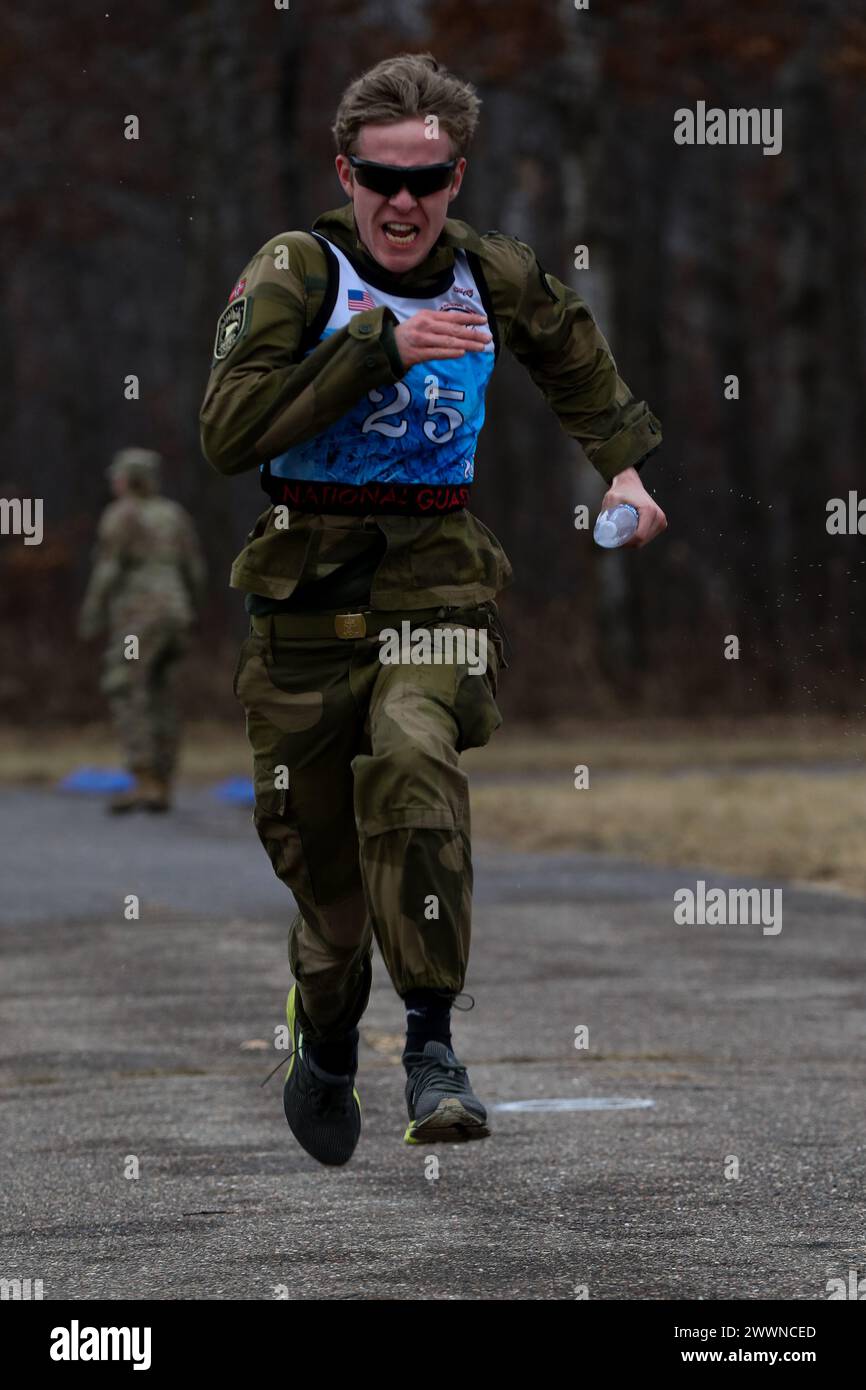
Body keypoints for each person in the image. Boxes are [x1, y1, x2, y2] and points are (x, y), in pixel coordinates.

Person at [199, 52, 666, 1165]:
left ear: (457, 177)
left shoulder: (488, 273)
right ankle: (323, 1032)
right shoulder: (296, 272)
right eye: (379, 178)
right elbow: (225, 432)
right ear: (344, 172)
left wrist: (625, 471)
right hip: (306, 592)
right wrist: (377, 347)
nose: (401, 203)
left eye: (427, 179)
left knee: (412, 757)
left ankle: (430, 1046)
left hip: (437, 573)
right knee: (328, 896)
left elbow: (570, 350)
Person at [78, 447, 206, 814]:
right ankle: (164, 781)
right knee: (161, 689)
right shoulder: (173, 514)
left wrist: (92, 612)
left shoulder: (123, 515)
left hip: (140, 619)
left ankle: (145, 778)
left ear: (128, 479)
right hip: (176, 613)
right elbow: (194, 569)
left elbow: (108, 570)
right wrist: (191, 611)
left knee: (127, 684)